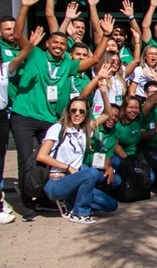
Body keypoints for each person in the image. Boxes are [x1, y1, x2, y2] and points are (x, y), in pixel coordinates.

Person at [11, 0, 113, 215]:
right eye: (55, 43)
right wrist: (25, 7)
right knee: (27, 157)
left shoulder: (67, 64)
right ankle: (28, 201)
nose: (58, 46)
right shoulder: (35, 53)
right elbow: (18, 35)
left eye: (62, 45)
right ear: (47, 44)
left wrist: (106, 35)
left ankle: (47, 195)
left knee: (51, 157)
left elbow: (96, 58)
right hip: (25, 115)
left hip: (50, 118)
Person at [37, 96, 118, 224]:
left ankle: (71, 202)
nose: (77, 114)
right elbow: (41, 156)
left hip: (74, 182)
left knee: (111, 205)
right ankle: (80, 213)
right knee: (91, 172)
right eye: (73, 110)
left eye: (81, 111)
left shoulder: (84, 130)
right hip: (56, 181)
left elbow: (107, 113)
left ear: (86, 113)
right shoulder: (58, 128)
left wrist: (103, 90)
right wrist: (68, 167)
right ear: (68, 111)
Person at [0, 25, 46, 224]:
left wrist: (31, 46)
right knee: (23, 158)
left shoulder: (3, 69)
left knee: (1, 159)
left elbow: (17, 60)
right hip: (21, 115)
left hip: (3, 116)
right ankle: (23, 203)